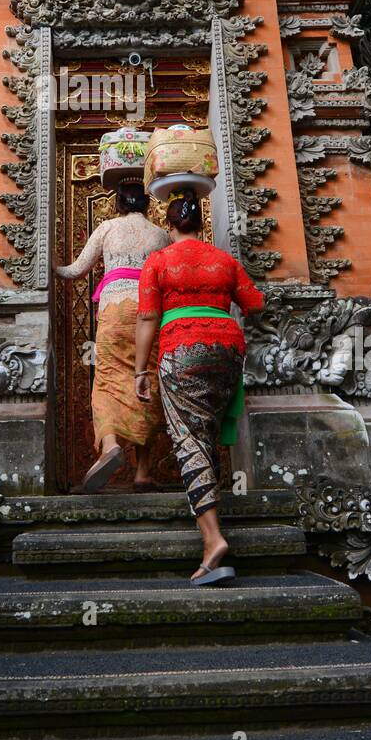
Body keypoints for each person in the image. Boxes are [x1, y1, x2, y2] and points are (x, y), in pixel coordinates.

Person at [135, 188, 264, 584]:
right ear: (201, 223)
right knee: (203, 433)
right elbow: (255, 303)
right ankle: (210, 525)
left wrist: (140, 370)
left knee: (188, 440)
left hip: (181, 347)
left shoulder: (158, 261)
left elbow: (146, 318)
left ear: (169, 224)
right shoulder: (224, 260)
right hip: (226, 348)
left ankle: (213, 539)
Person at [54, 182, 169, 492]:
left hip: (115, 312)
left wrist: (48, 264)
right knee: (147, 382)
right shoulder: (161, 235)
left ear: (118, 204)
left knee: (106, 379)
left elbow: (75, 271)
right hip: (149, 313)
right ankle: (143, 473)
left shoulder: (107, 228)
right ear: (147, 205)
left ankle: (109, 446)